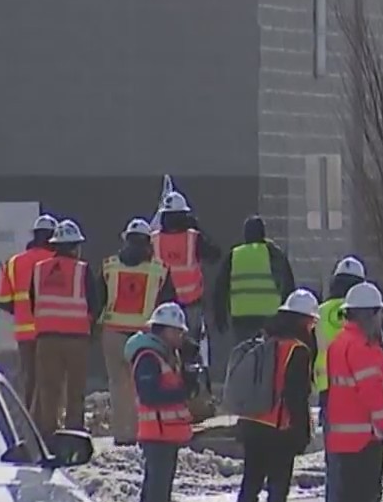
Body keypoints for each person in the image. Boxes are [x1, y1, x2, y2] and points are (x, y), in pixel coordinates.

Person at [231, 289, 318, 502]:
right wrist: (302, 432)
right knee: (277, 491)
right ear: (304, 321)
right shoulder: (297, 350)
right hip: (278, 429)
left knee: (249, 490)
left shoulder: (264, 341)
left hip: (252, 423)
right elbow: (296, 395)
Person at [315, 256, 383, 502]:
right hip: (360, 403)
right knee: (365, 470)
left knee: (337, 470)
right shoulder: (364, 336)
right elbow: (381, 369)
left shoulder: (321, 312)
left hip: (331, 394)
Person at [126, 302, 197, 502]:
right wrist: (181, 393)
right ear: (163, 330)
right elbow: (150, 395)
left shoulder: (166, 356)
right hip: (156, 434)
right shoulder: (148, 357)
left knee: (159, 494)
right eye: (176, 332)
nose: (180, 337)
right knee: (155, 494)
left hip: (166, 433)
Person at [98, 218, 177, 446]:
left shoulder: (109, 266)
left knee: (117, 385)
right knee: (144, 384)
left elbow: (97, 301)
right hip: (144, 338)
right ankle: (142, 432)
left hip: (112, 333)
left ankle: (122, 435)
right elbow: (168, 305)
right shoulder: (159, 270)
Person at [29, 219, 106, 436]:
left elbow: (33, 300)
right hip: (76, 339)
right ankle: (73, 431)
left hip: (46, 338)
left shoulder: (39, 270)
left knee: (48, 389)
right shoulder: (82, 269)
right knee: (75, 389)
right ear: (75, 247)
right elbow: (95, 303)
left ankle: (47, 433)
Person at [0, 213, 59, 408]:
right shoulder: (57, 262)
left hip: (24, 333)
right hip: (51, 331)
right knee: (49, 379)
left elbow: (4, 301)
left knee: (29, 378)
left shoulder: (14, 262)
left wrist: (23, 311)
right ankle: (48, 422)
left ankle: (28, 422)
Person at [215, 215, 296, 346]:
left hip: (242, 317)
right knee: (269, 357)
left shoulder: (234, 255)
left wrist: (220, 317)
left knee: (244, 355)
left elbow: (221, 288)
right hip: (270, 318)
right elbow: (287, 284)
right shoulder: (274, 253)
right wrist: (289, 317)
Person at [152, 190, 222, 333]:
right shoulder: (193, 238)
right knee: (190, 346)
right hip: (190, 303)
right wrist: (198, 228)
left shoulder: (153, 239)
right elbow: (215, 254)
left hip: (162, 305)